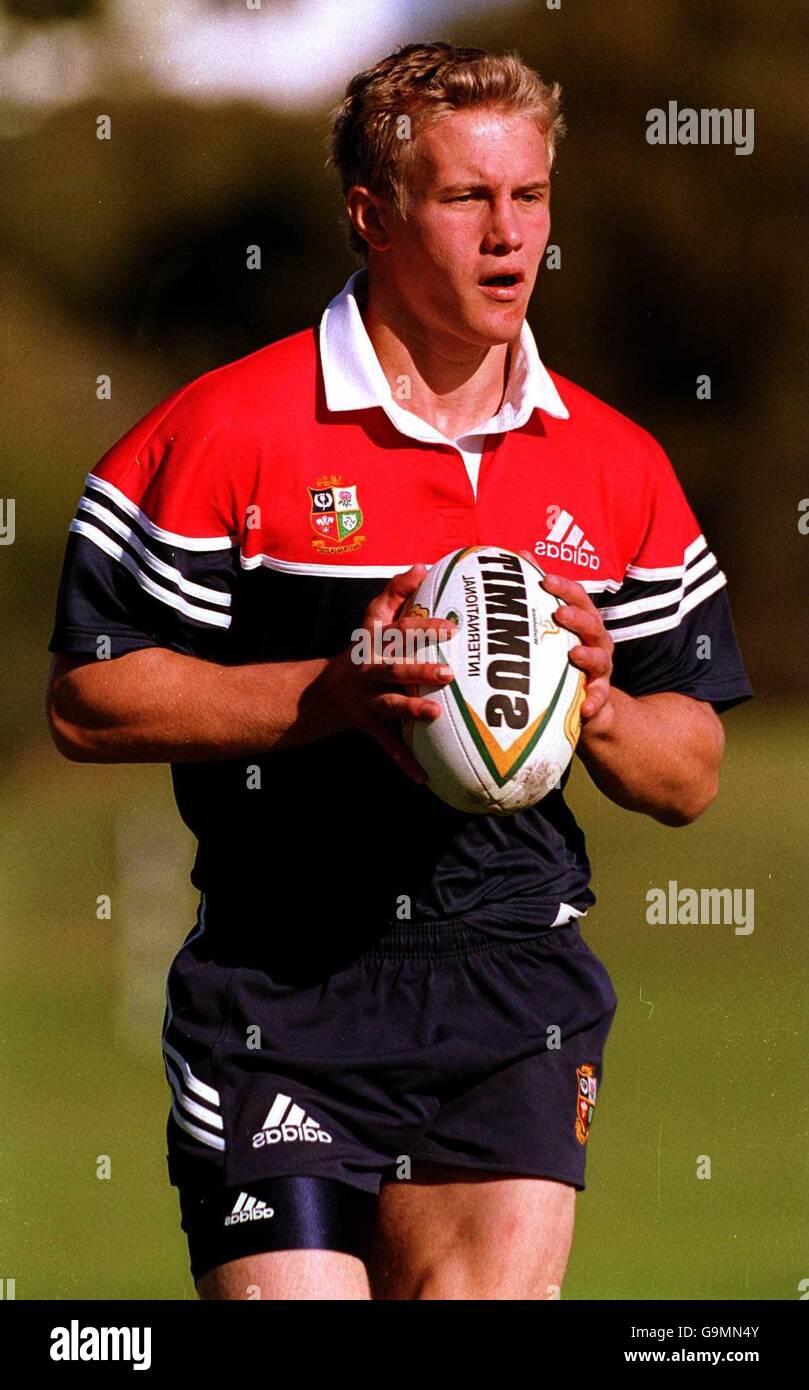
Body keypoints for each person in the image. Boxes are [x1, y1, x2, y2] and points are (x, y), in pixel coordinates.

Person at [46, 42, 752, 1300]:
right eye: (465, 198)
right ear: (371, 216)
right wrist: (331, 696)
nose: (508, 236)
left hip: (509, 980)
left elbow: (689, 771)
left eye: (528, 197)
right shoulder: (223, 433)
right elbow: (89, 700)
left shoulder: (613, 463)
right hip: (282, 988)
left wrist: (584, 700)